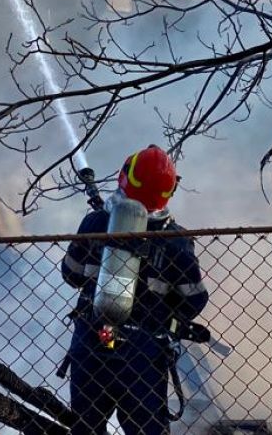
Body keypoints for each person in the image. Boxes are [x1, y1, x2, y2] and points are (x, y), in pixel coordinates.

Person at [60, 145, 209, 435]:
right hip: (143, 351)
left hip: (92, 341)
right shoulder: (176, 241)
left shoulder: (96, 223)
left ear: (124, 177)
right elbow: (195, 301)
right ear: (168, 192)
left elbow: (71, 274)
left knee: (86, 427)